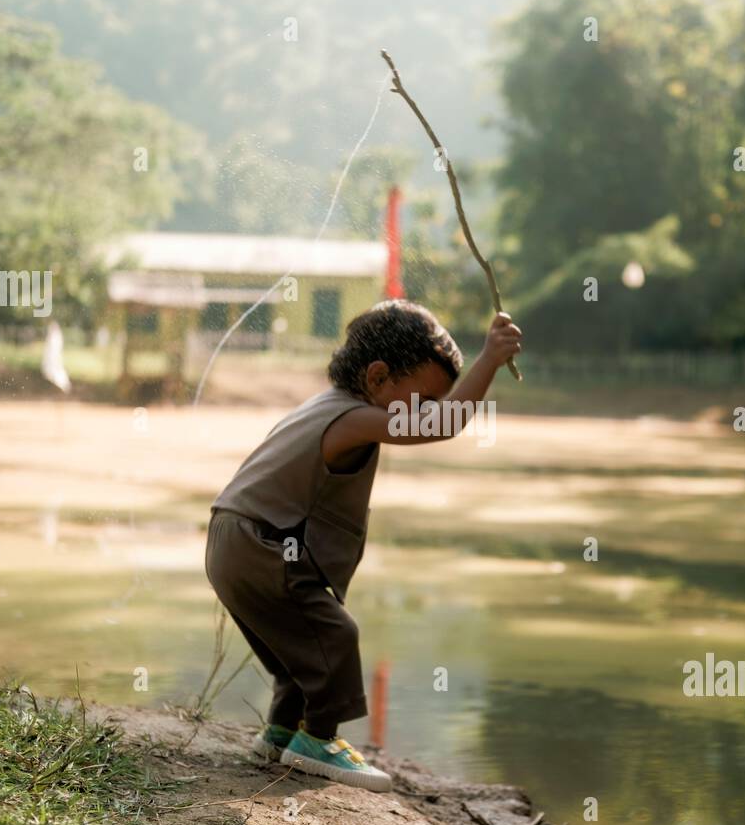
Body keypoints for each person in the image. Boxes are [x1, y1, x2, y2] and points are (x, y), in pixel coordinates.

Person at [204, 299, 522, 791]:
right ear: (377, 378)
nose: (426, 411)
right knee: (335, 637)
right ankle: (318, 740)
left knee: (298, 653)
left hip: (231, 539)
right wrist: (490, 360)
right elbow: (442, 426)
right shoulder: (350, 418)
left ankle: (281, 734)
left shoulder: (324, 404)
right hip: (262, 543)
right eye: (422, 399)